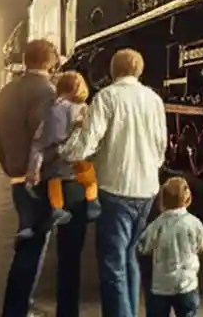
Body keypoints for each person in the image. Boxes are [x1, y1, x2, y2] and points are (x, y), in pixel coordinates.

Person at [0, 39, 96, 317]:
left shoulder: (5, 92)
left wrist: (12, 168)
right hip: (52, 180)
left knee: (28, 248)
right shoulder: (51, 94)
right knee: (68, 255)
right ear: (52, 62)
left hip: (19, 180)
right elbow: (52, 141)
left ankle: (14, 310)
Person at [77, 48, 168, 317]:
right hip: (147, 190)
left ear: (112, 70)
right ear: (139, 70)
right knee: (130, 259)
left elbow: (87, 142)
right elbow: (161, 146)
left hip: (115, 189)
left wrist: (66, 152)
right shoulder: (154, 99)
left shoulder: (106, 97)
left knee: (112, 264)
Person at [25, 71, 98, 236]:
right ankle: (93, 202)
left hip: (58, 172)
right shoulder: (86, 109)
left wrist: (34, 170)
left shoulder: (56, 109)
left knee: (55, 225)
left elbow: (44, 142)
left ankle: (56, 210)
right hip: (79, 175)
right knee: (74, 237)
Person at [139, 176, 203, 317]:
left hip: (161, 286)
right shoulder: (193, 223)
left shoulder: (157, 224)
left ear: (162, 201)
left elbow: (144, 245)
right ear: (187, 199)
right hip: (187, 284)